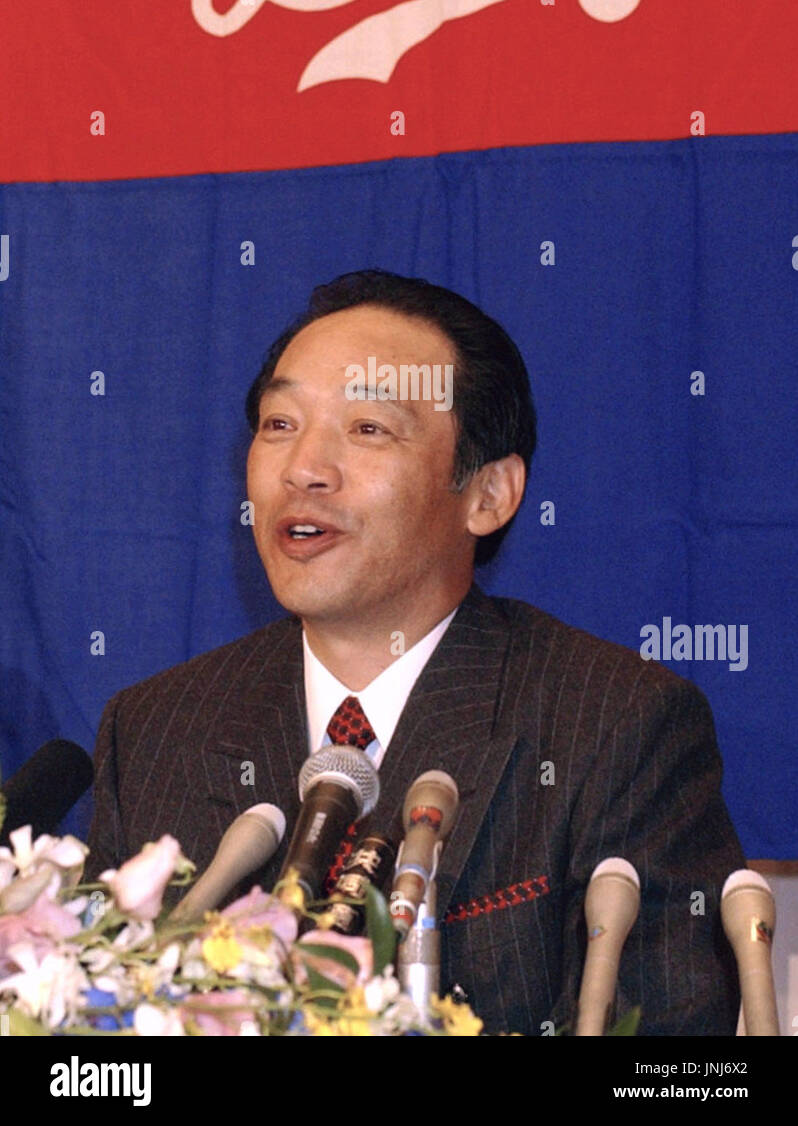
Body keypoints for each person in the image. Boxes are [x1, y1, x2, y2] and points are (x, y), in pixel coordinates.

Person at [85, 270, 744, 1035]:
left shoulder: (618, 726)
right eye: (279, 424)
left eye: (368, 429)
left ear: (488, 494)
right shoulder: (155, 729)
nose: (304, 468)